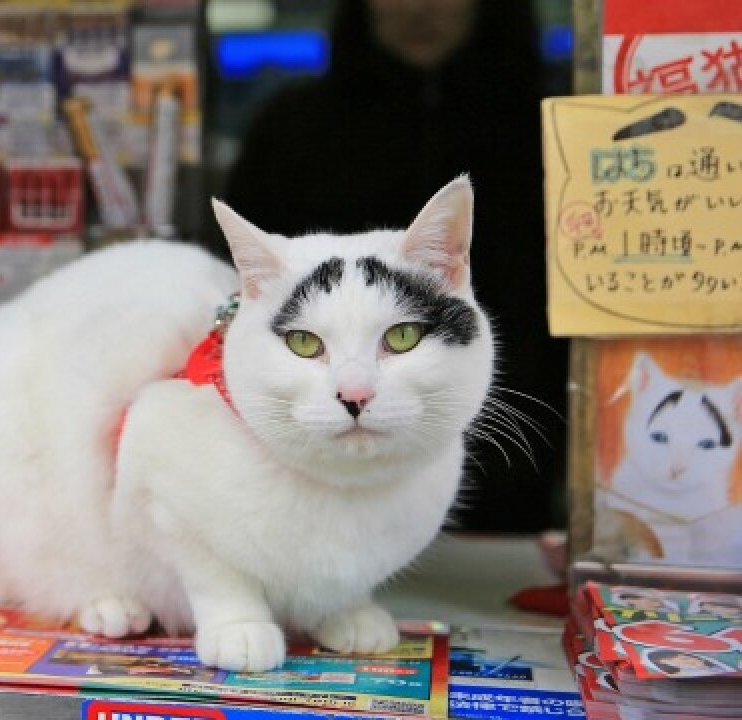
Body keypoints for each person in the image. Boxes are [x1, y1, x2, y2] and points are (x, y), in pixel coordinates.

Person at [221, 0, 568, 533]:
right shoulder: (294, 128)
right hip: (312, 490)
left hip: (515, 470)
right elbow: (242, 294)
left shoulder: (549, 128)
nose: (418, 10)